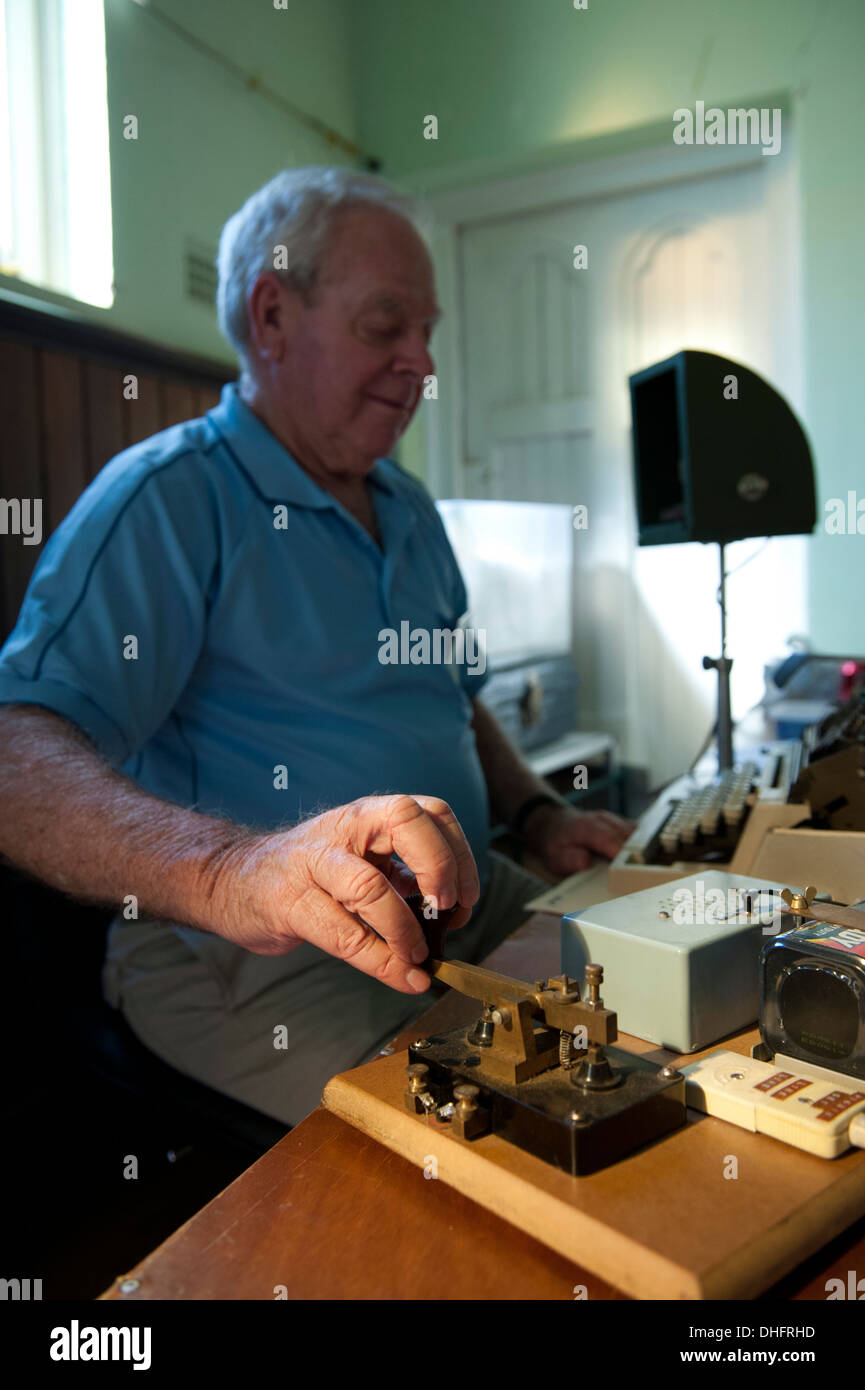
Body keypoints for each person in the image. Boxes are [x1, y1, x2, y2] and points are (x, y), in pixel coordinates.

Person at [0, 167, 632, 1124]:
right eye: (386, 326)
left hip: (463, 899)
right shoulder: (168, 503)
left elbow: (452, 694)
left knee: (659, 1010)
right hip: (262, 966)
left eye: (427, 334)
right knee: (506, 1150)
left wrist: (539, 816)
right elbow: (16, 761)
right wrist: (236, 872)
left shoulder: (409, 506)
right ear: (271, 317)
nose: (420, 363)